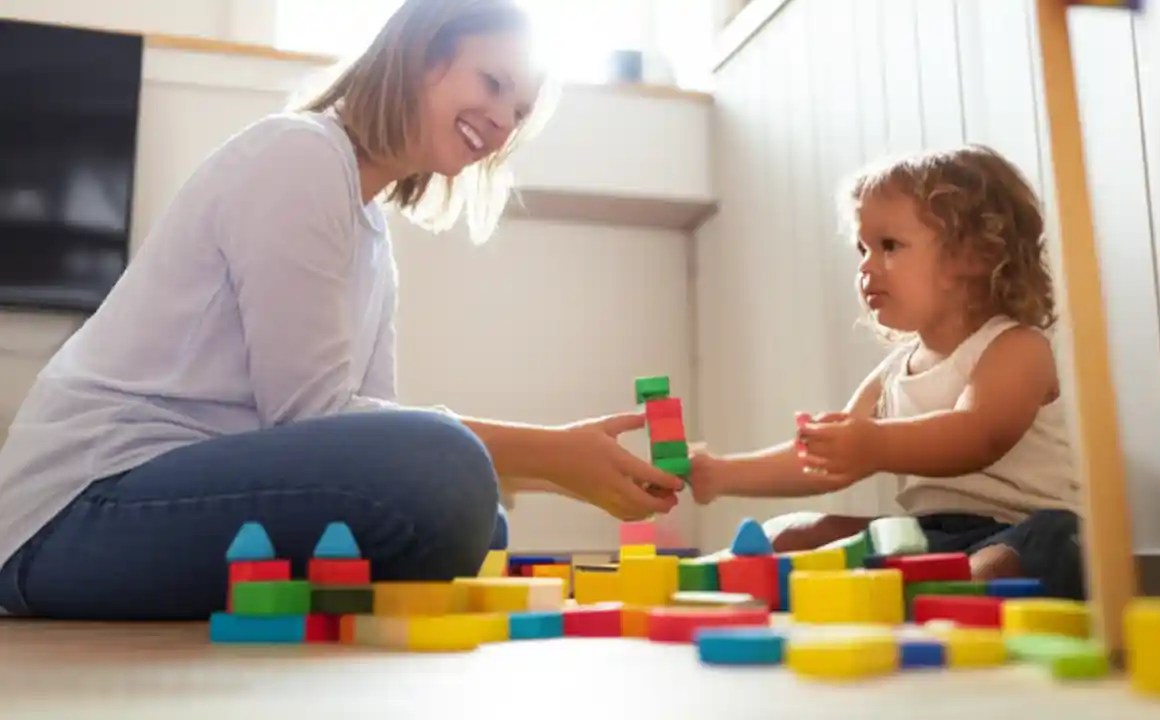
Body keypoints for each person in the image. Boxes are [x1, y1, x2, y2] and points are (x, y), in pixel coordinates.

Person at [0, 0, 682, 621]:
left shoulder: (371, 235)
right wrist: (548, 454)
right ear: (421, 56)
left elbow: (364, 437)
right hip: (71, 514)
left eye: (521, 111)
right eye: (492, 83)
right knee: (445, 478)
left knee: (472, 514)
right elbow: (319, 416)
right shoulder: (298, 156)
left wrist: (565, 469)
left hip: (157, 496)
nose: (504, 120)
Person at [688, 145, 1084, 599]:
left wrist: (872, 445)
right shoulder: (893, 371)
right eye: (862, 248)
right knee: (794, 532)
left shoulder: (1015, 346)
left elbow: (979, 436)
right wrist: (720, 473)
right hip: (928, 536)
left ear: (974, 255)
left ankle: (938, 596)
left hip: (1024, 529)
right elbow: (822, 461)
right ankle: (706, 580)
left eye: (889, 246)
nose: (865, 266)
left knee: (1022, 552)